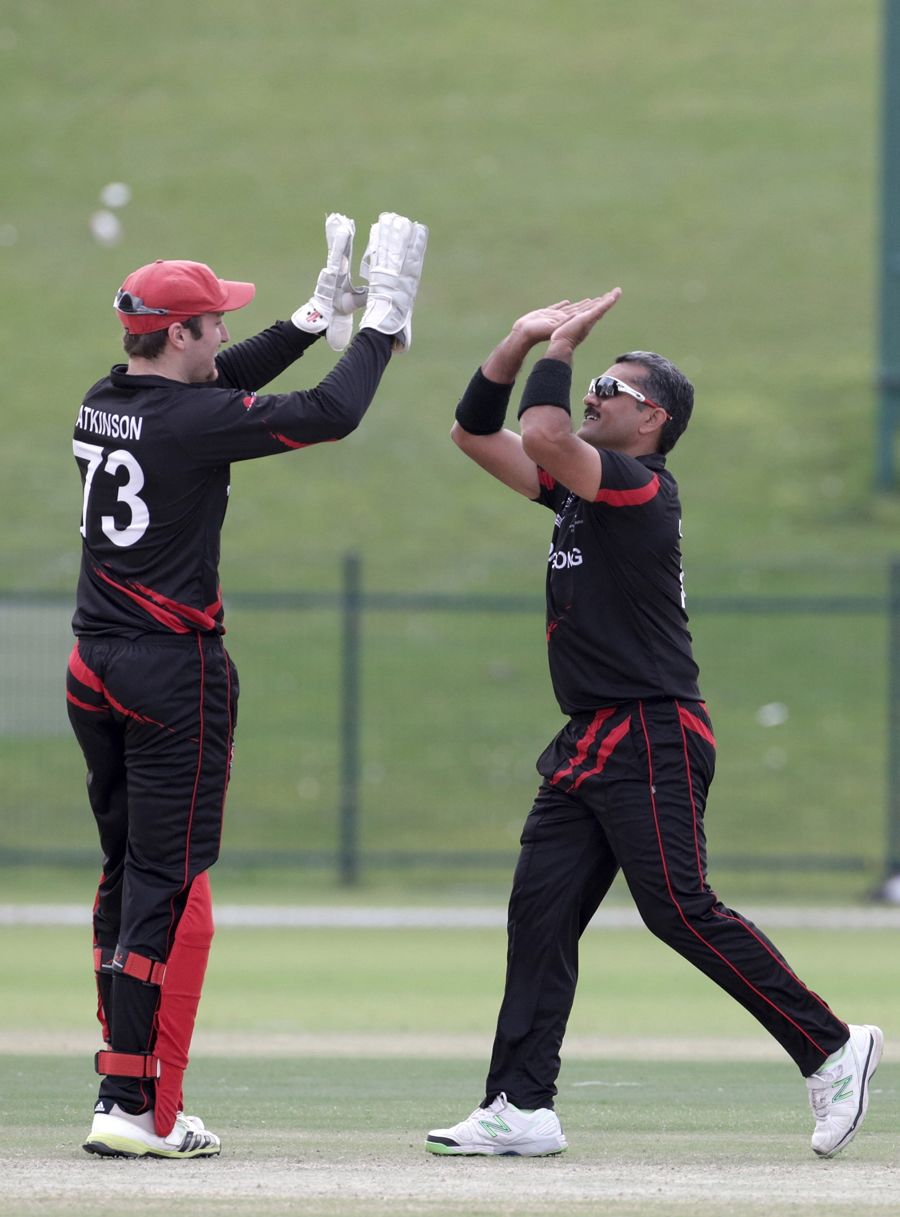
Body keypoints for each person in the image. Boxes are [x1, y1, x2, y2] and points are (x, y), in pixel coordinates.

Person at [425, 291, 882, 1160]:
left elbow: (551, 436)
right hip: (589, 738)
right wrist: (518, 343)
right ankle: (521, 1104)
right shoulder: (579, 494)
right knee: (541, 913)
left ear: (653, 419)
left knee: (678, 908)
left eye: (610, 387)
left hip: (651, 730)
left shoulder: (638, 488)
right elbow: (475, 434)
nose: (592, 395)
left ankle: (830, 1048)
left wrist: (561, 347)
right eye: (589, 382)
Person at [67, 211, 428, 1160]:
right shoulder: (186, 423)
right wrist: (382, 326)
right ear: (176, 332)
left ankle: (123, 1081)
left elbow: (213, 388)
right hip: (167, 669)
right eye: (214, 319)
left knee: (124, 878)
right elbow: (330, 415)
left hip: (92, 663)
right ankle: (129, 1100)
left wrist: (312, 321)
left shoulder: (105, 400)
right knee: (166, 886)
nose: (226, 329)